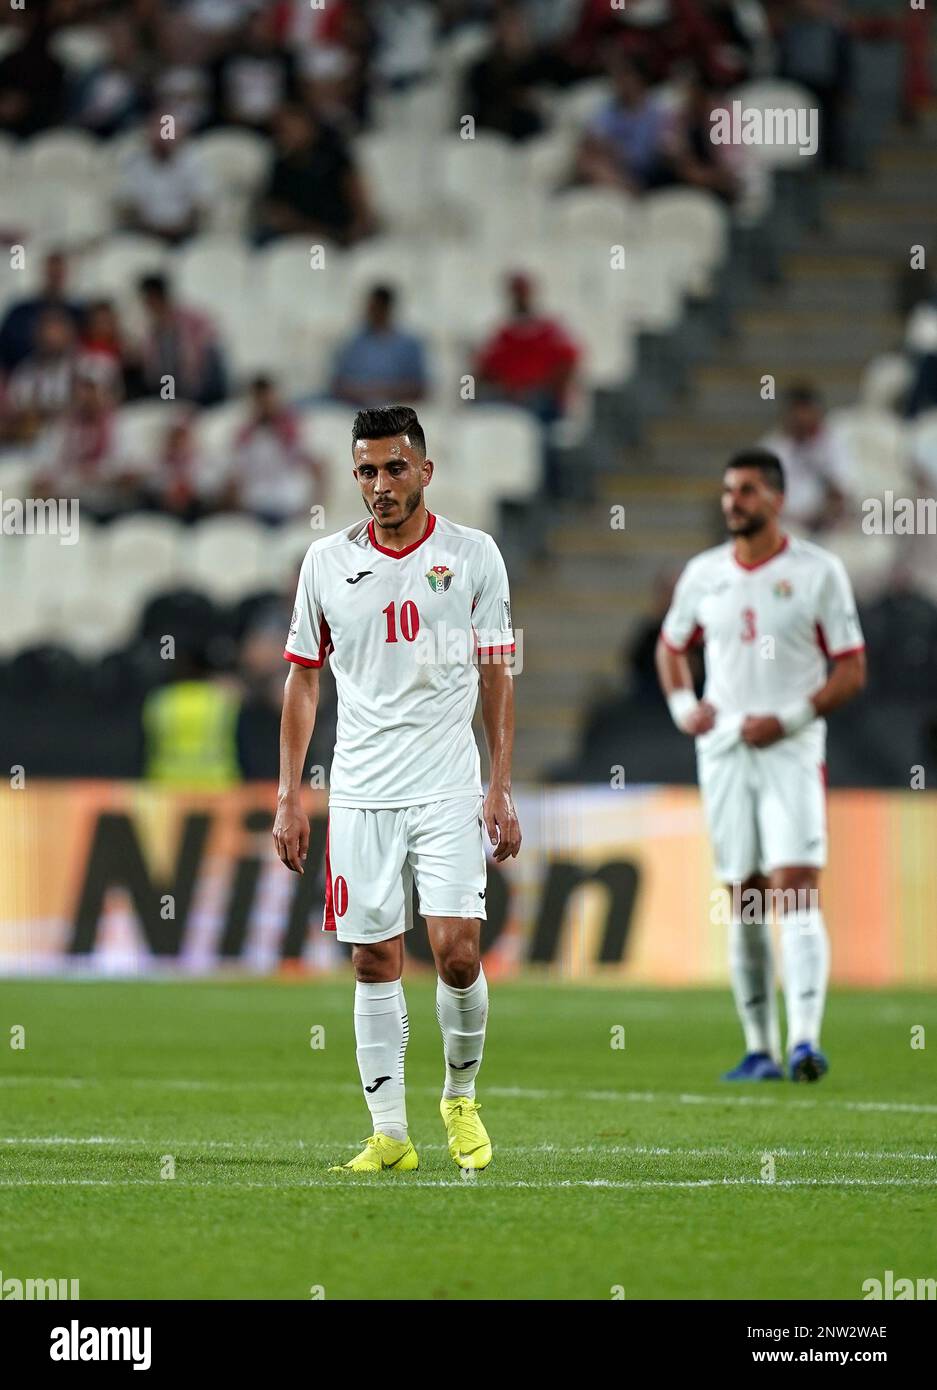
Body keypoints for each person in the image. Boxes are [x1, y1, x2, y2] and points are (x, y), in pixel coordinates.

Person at [273, 404, 520, 1173]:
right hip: (359, 792)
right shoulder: (325, 563)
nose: (379, 485)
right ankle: (389, 1135)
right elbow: (302, 680)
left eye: (393, 468)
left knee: (456, 954)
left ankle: (459, 1098)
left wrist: (499, 786)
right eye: (365, 472)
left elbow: (496, 673)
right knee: (373, 961)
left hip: (447, 786)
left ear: (425, 471)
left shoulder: (472, 555)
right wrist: (288, 795)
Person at [655, 449, 866, 1083]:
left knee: (795, 884)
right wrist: (684, 706)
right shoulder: (704, 574)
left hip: (791, 752)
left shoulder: (817, 572)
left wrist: (789, 718)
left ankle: (804, 1041)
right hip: (724, 752)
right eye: (729, 491)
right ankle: (760, 1050)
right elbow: (671, 646)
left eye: (747, 490)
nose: (734, 502)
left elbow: (852, 668)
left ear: (777, 499)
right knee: (744, 895)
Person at [255, 102, 376, 245]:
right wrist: (310, 229)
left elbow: (356, 196)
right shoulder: (281, 166)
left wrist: (357, 226)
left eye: (294, 128)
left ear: (311, 127)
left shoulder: (335, 157)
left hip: (339, 233)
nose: (288, 134)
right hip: (298, 235)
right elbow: (276, 211)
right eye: (282, 130)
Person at [474, 271, 579, 425]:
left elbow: (568, 363)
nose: (519, 299)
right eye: (516, 294)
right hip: (508, 401)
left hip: (543, 404)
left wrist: (548, 387)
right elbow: (483, 369)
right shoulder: (502, 335)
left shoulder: (550, 331)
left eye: (523, 293)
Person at [224, 375, 324, 522]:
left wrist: (315, 509)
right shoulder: (246, 436)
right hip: (254, 505)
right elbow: (234, 475)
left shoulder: (294, 430)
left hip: (289, 504)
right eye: (259, 401)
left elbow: (318, 468)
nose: (264, 405)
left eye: (267, 399)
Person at [760, 384, 855, 533]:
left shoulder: (833, 443)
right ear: (787, 415)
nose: (802, 419)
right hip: (786, 525)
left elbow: (845, 488)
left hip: (827, 525)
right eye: (797, 414)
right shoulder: (771, 449)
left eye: (807, 412)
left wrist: (833, 497)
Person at [116, 115, 214, 244]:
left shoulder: (194, 161)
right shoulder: (135, 162)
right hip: (144, 233)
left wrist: (180, 228)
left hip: (185, 235)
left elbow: (201, 204)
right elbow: (128, 204)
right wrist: (149, 228)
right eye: (158, 130)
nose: (163, 138)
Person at [134, 273, 228, 406]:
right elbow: (157, 372)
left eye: (149, 300)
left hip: (201, 389)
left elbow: (205, 353)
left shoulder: (191, 321)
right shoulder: (152, 331)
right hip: (175, 391)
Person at [330, 286, 428, 406]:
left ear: (386, 308)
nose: (369, 311)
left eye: (375, 307)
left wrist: (380, 391)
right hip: (352, 409)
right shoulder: (354, 343)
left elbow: (419, 388)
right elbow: (337, 384)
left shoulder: (408, 345)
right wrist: (364, 392)